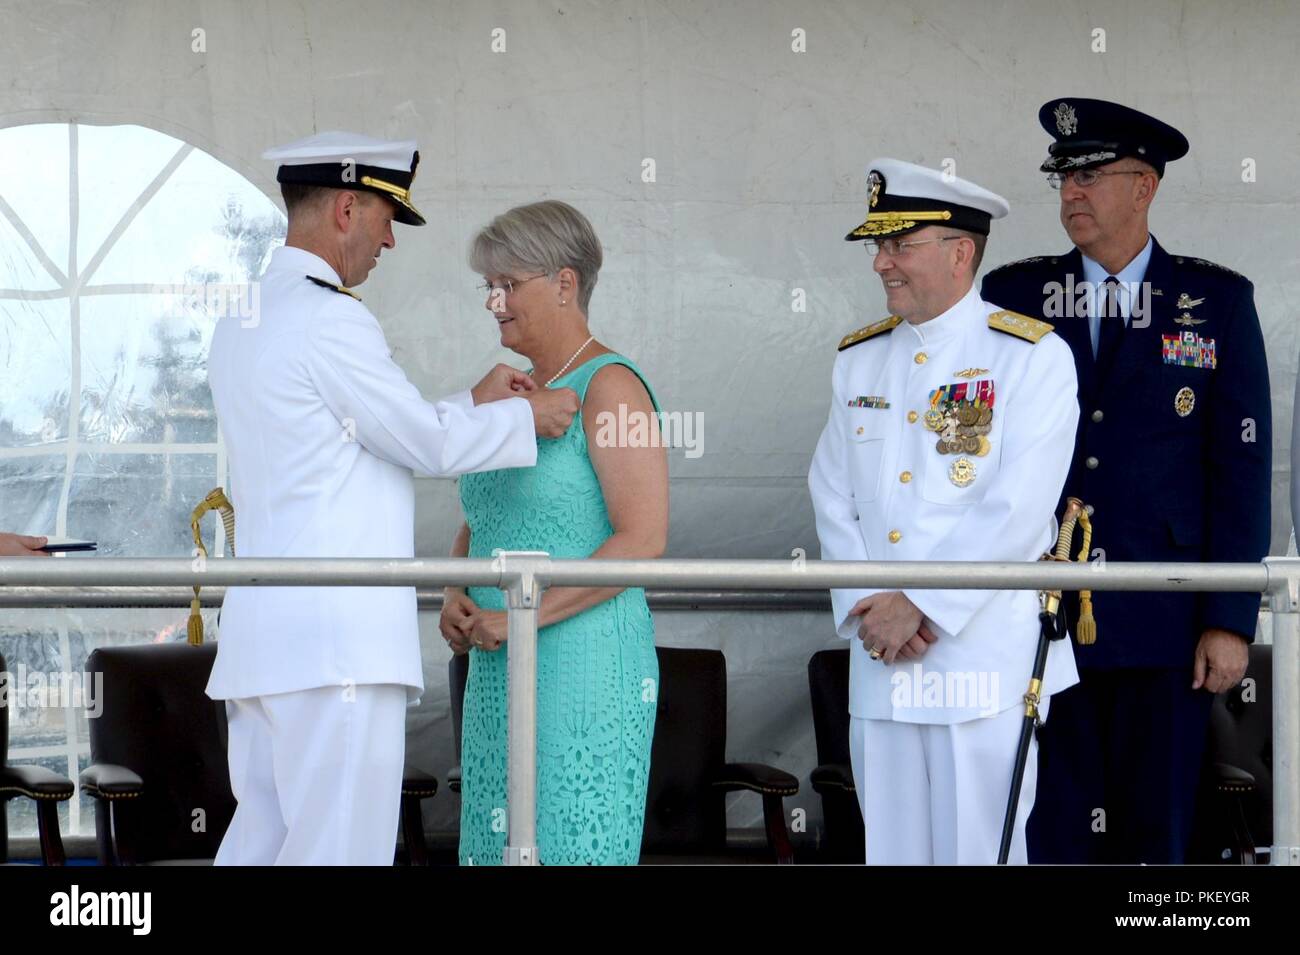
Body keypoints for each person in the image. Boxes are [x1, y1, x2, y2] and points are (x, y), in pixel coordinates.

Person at [205, 133, 579, 866]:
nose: (389, 242)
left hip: (265, 641)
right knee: (336, 853)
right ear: (346, 207)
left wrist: (470, 402)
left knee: (258, 846)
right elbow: (417, 442)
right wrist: (521, 417)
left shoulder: (243, 318)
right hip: (335, 648)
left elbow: (342, 440)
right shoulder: (330, 317)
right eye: (385, 218)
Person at [981, 98, 1272, 863]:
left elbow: (1239, 467)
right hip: (1040, 616)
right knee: (1051, 829)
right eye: (1064, 178)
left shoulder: (1216, 303)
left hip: (1164, 619)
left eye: (1091, 176)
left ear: (1144, 186)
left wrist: (1230, 616)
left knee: (1158, 835)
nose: (1072, 193)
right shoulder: (1013, 296)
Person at [808, 159, 1079, 864]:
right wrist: (873, 604)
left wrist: (920, 604)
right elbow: (831, 490)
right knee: (891, 853)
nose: (880, 263)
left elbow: (1016, 510)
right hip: (882, 657)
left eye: (899, 245)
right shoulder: (858, 360)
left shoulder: (1031, 357)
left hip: (979, 659)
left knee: (977, 852)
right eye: (878, 246)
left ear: (961, 252)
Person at [441, 200, 668, 865]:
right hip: (498, 660)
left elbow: (643, 540)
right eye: (489, 286)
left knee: (569, 843)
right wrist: (455, 587)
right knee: (496, 844)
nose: (494, 301)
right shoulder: (513, 390)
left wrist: (524, 612)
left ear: (565, 284)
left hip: (583, 664)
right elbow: (482, 514)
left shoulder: (611, 385)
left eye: (508, 284)